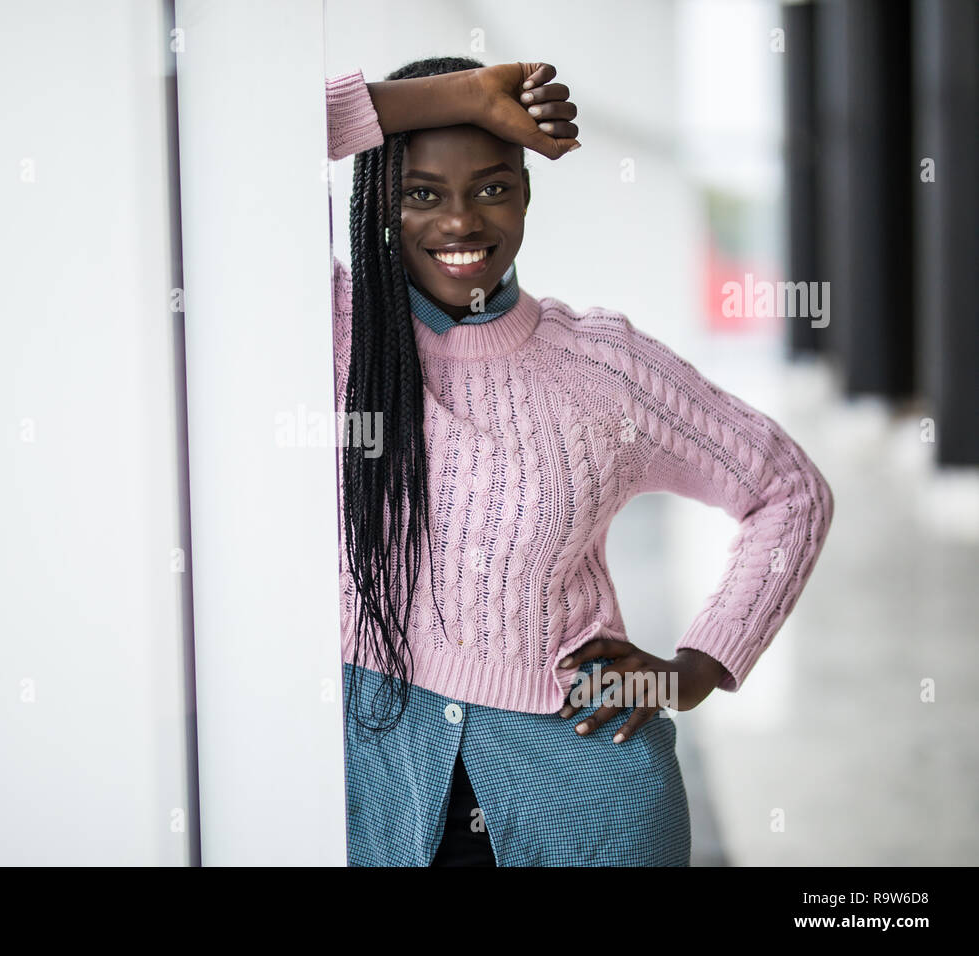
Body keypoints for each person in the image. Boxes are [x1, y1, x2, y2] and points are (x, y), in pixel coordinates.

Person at [325, 58, 835, 866]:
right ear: (379, 204)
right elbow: (257, 129)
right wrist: (462, 95)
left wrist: (697, 668)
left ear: (525, 194)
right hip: (372, 791)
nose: (460, 221)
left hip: (590, 807)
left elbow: (787, 489)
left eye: (492, 186)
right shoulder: (334, 331)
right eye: (421, 193)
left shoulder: (600, 366)